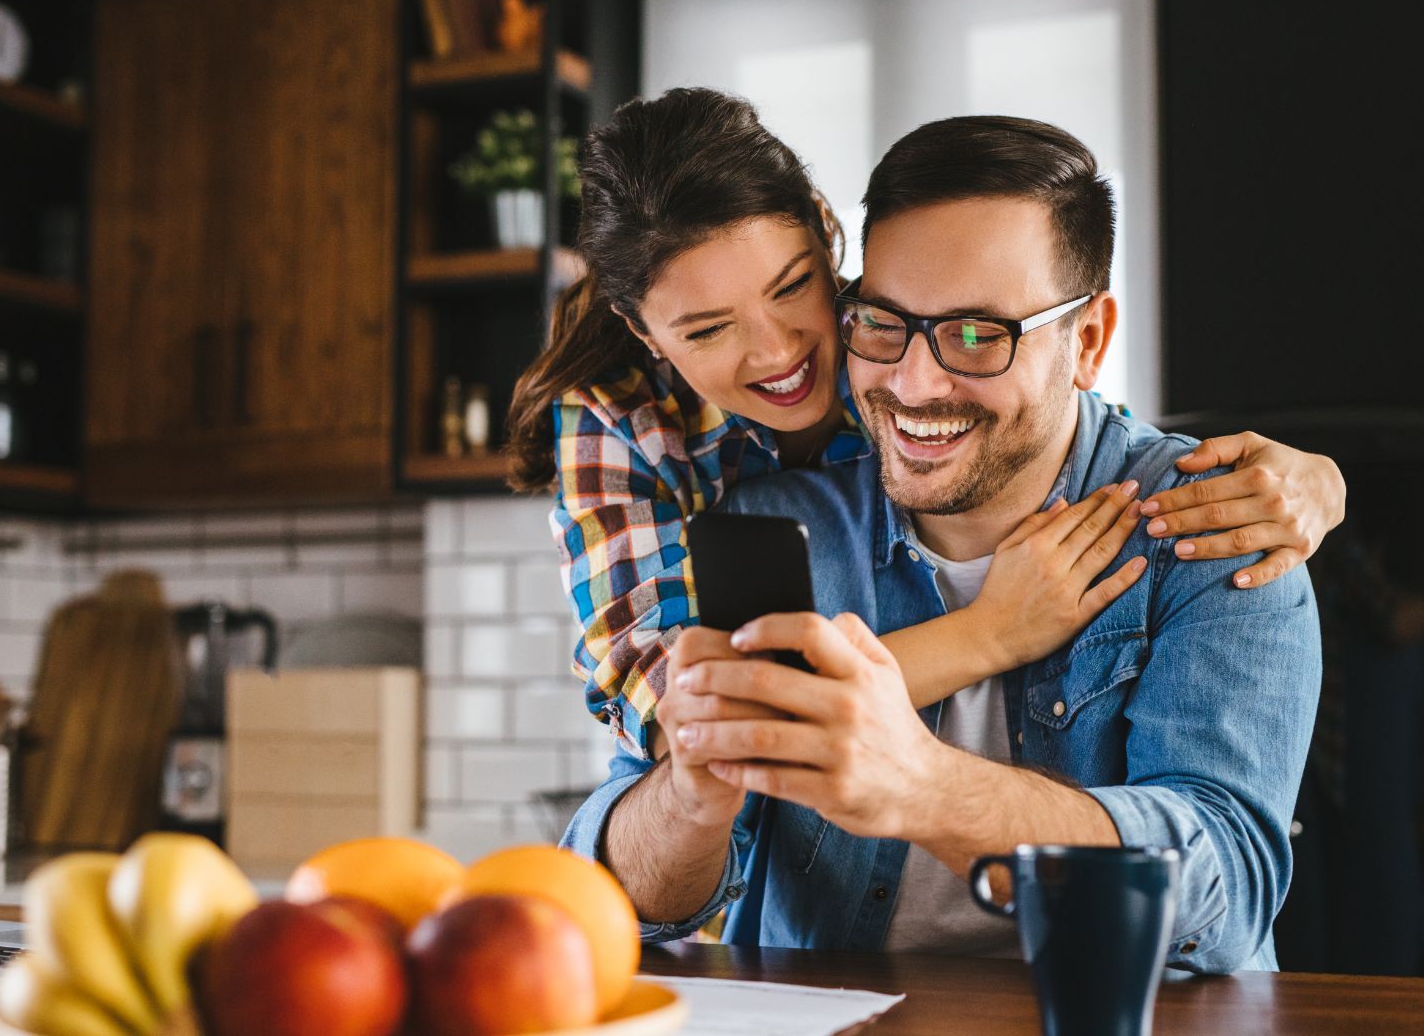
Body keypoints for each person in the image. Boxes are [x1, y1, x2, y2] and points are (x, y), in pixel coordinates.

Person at [562, 115, 1323, 973]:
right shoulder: (760, 524)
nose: (916, 384)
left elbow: (1228, 889)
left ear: (1090, 341)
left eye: (978, 334)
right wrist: (692, 799)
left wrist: (927, 789)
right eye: (883, 323)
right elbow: (629, 903)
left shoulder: (1218, 520)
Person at [507, 88, 1344, 761]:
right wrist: (988, 635)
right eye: (706, 330)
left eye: (795, 286)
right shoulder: (617, 423)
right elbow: (691, 722)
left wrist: (1318, 480)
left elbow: (1048, 416)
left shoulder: (887, 332)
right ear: (643, 330)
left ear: (825, 236)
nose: (780, 352)